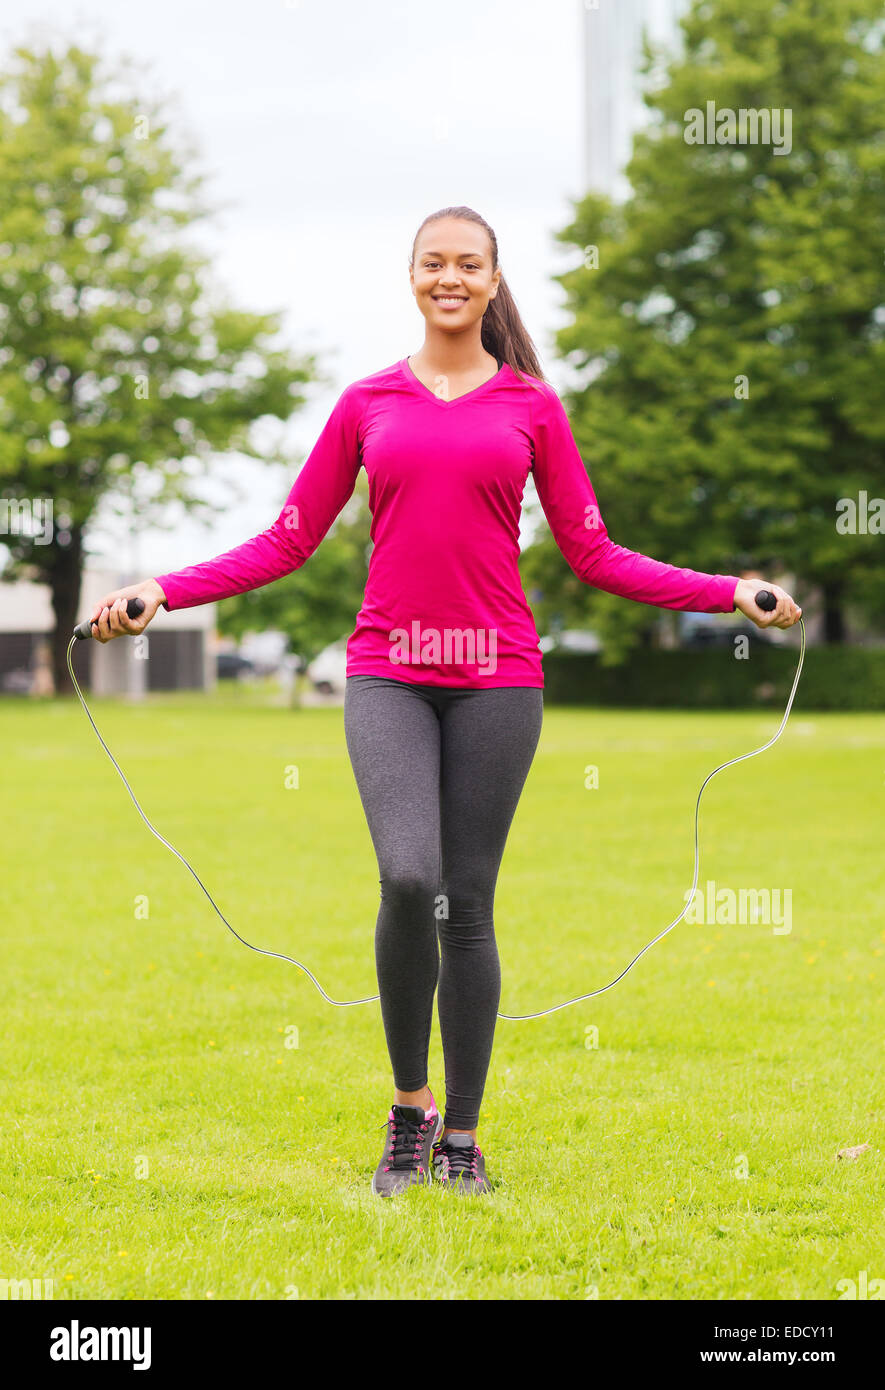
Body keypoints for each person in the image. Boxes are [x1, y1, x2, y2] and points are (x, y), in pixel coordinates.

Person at [87, 205, 802, 1197]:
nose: (451, 277)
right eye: (435, 263)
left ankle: (463, 1133)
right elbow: (287, 539)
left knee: (467, 901)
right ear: (412, 276)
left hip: (498, 678)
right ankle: (410, 1107)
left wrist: (729, 591)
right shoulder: (366, 402)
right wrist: (164, 589)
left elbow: (594, 552)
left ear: (495, 279)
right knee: (404, 878)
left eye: (470, 264)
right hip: (388, 672)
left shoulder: (533, 408)